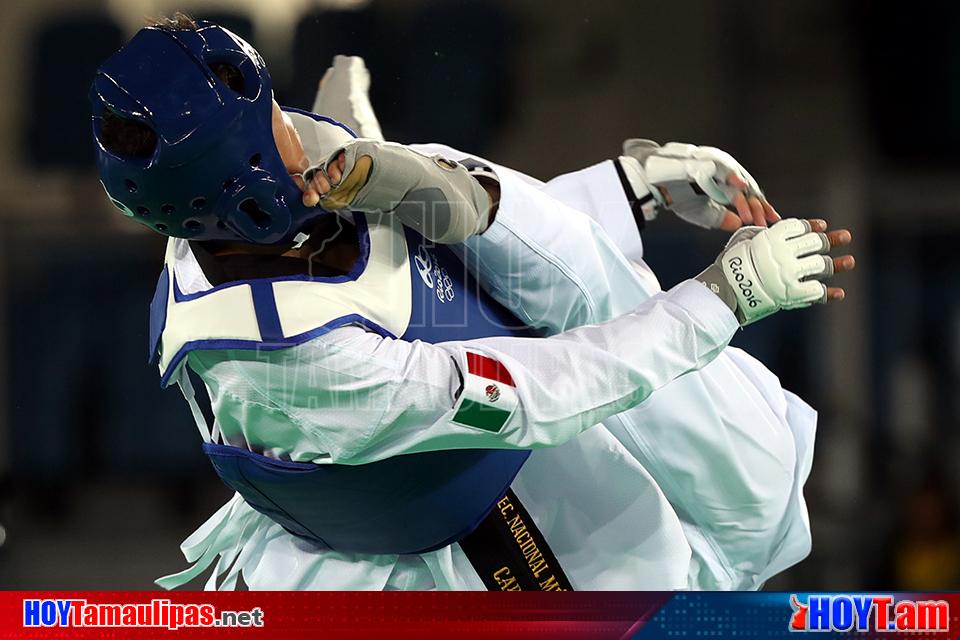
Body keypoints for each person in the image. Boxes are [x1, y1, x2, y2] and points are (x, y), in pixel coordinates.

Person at [90, 15, 854, 590]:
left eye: (277, 110)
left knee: (750, 486)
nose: (299, 137)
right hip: (438, 546)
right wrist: (725, 297)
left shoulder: (294, 173)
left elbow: (481, 266)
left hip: (508, 444)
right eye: (271, 135)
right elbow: (542, 387)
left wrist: (635, 187)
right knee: (666, 578)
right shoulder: (294, 360)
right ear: (242, 191)